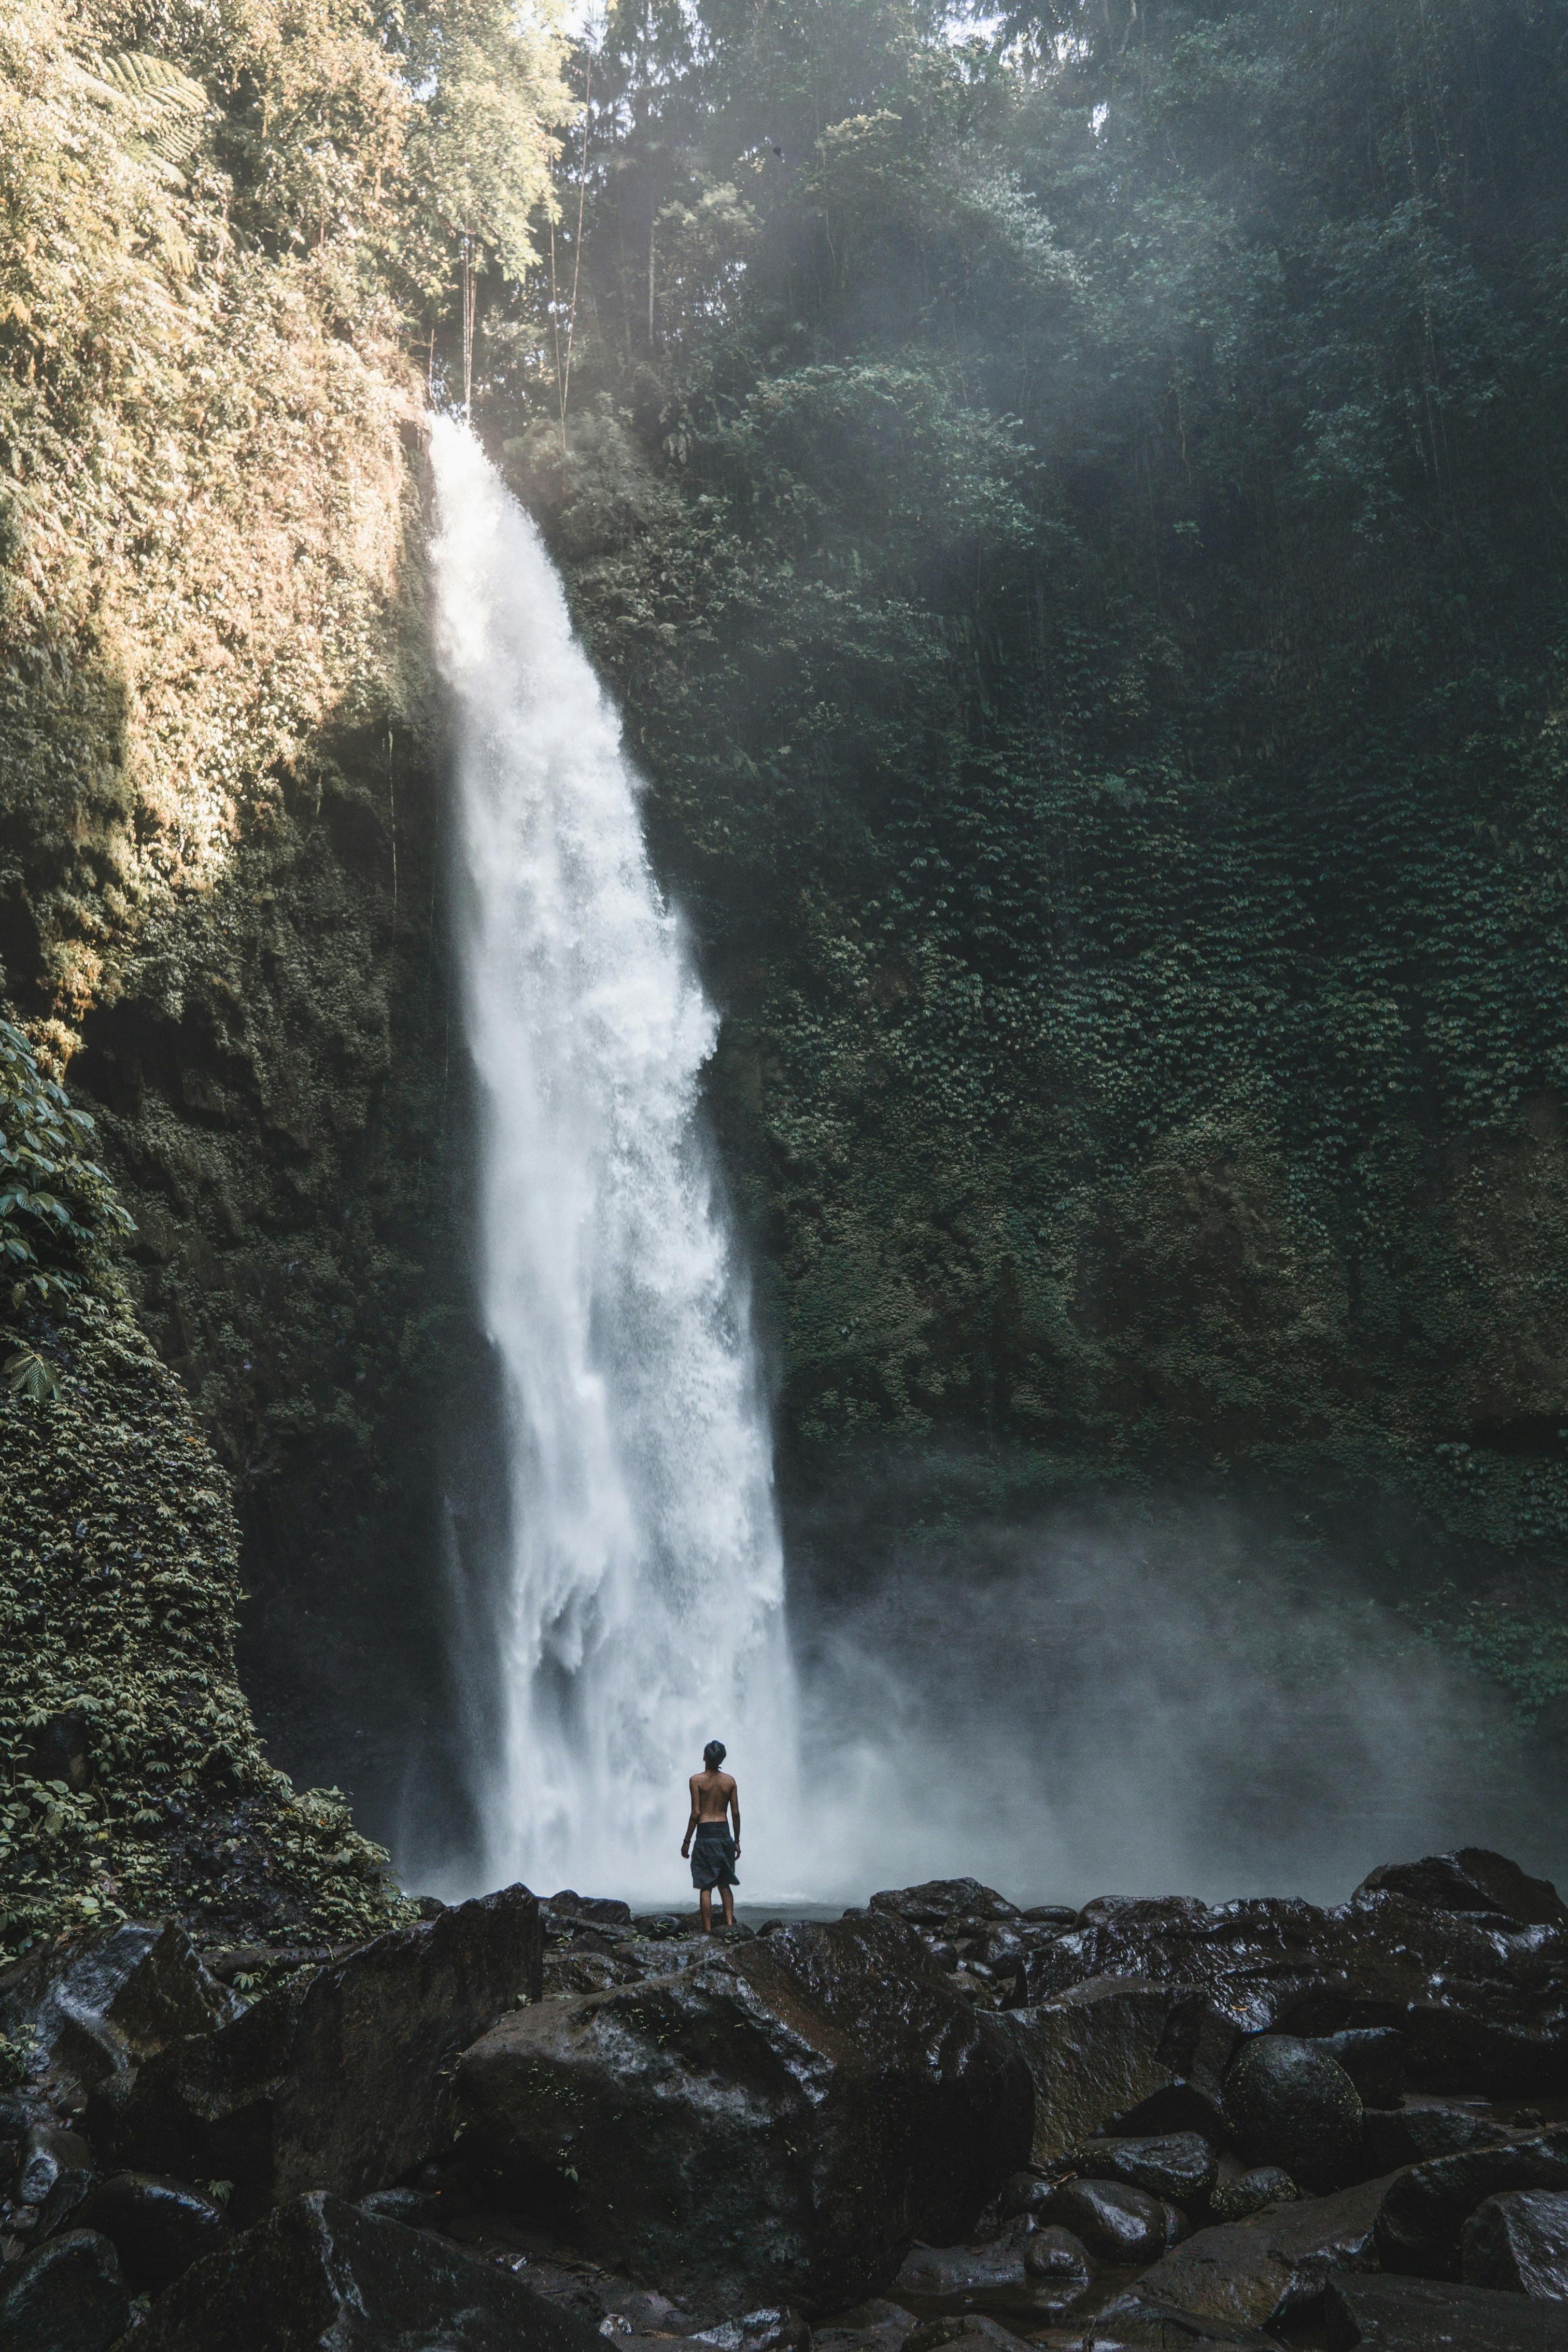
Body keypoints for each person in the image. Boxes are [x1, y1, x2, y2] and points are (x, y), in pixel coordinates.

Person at [681, 1739, 740, 1932]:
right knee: (724, 1882)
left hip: (705, 1834)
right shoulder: (730, 1782)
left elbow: (696, 1813)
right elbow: (736, 1814)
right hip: (724, 1832)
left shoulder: (696, 1781)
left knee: (706, 1885)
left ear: (705, 1757)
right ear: (722, 1759)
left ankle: (707, 1931)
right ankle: (730, 1926)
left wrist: (687, 1841)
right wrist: (737, 1841)